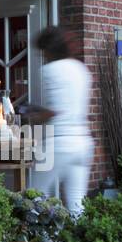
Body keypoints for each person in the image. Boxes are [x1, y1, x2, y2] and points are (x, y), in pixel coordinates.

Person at [25, 26, 93, 215]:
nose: (42, 56)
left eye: (42, 52)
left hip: (58, 144)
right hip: (82, 142)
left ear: (49, 50)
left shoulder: (49, 70)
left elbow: (56, 110)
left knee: (35, 197)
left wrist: (33, 116)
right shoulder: (81, 69)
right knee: (77, 204)